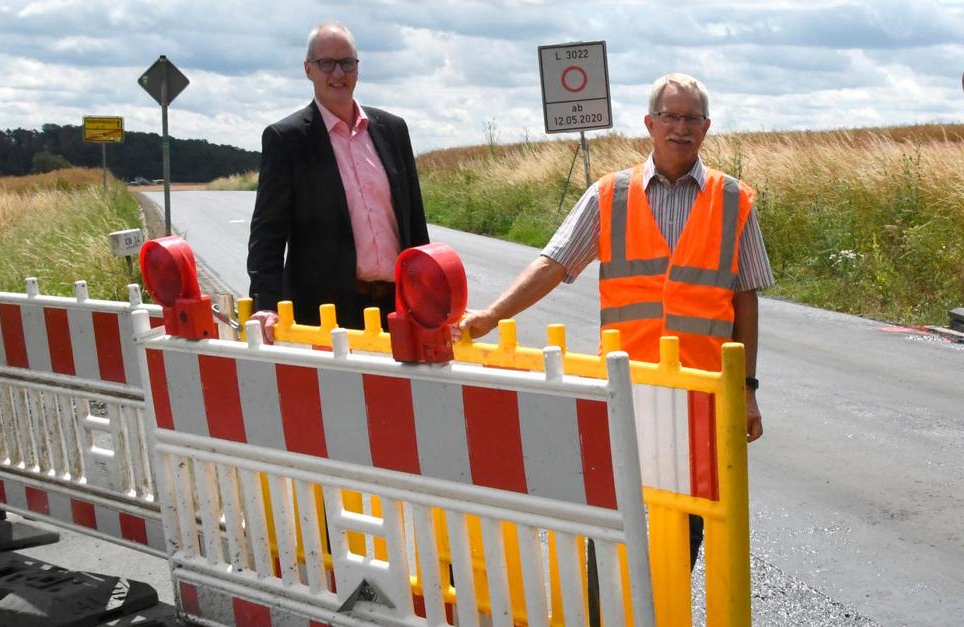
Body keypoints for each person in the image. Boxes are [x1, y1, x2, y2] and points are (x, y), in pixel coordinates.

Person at [460, 72, 773, 565]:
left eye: (692, 118)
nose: (680, 128)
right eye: (670, 116)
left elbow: (746, 299)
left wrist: (748, 389)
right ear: (649, 123)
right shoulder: (610, 196)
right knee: (612, 519)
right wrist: (494, 315)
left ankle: (662, 612)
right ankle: (604, 611)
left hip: (701, 391)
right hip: (626, 389)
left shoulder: (734, 200)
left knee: (687, 519)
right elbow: (554, 262)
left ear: (707, 127)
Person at [247, 21, 429, 342]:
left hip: (397, 308)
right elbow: (268, 233)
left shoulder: (393, 130)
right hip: (324, 315)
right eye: (326, 63)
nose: (338, 73)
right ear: (308, 70)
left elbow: (414, 223)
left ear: (358, 68)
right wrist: (266, 304)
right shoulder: (287, 139)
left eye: (347, 63)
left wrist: (429, 294)